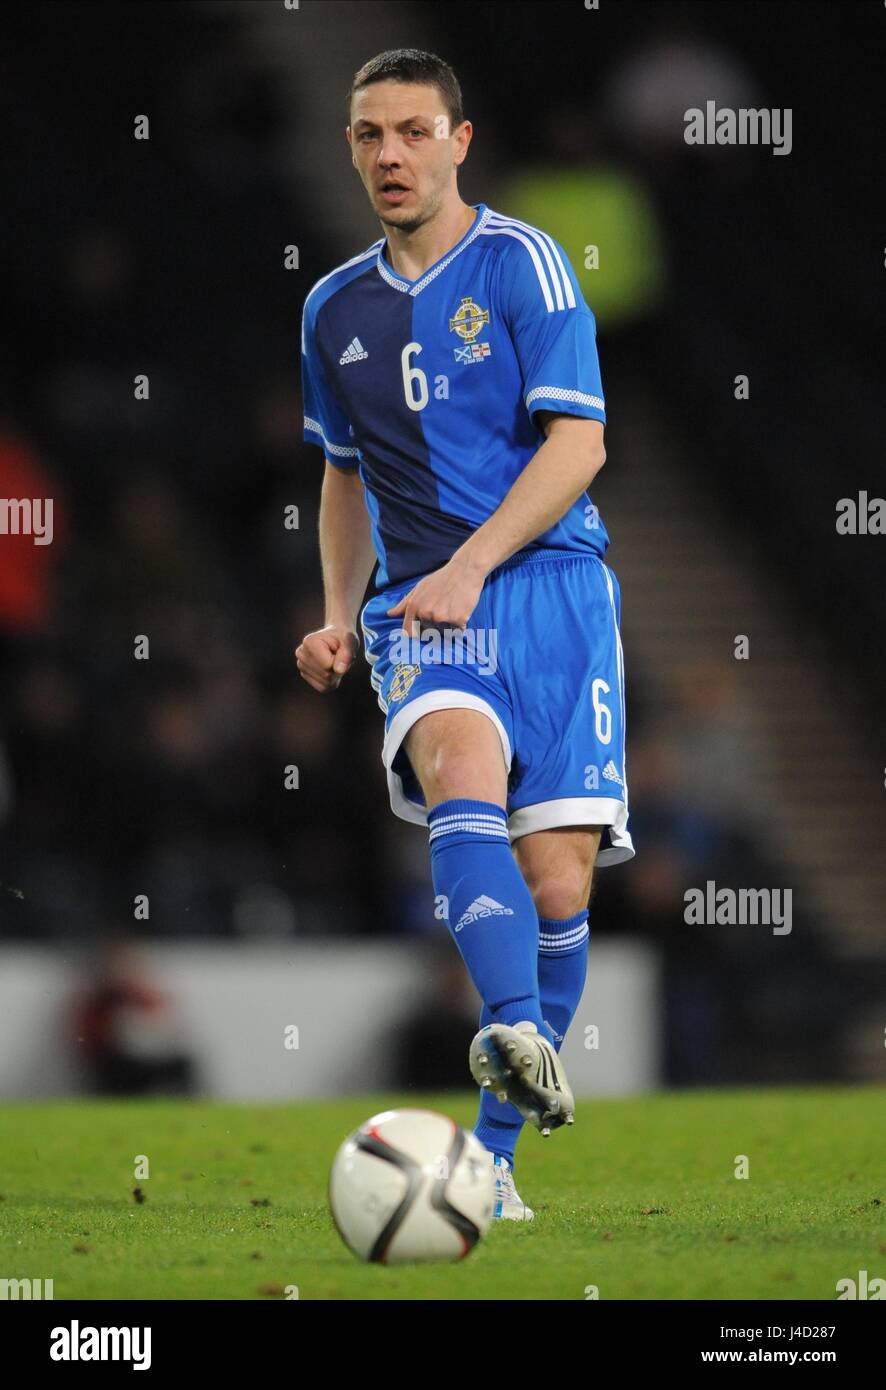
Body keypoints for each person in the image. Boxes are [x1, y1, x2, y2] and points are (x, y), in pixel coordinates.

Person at [296, 48, 634, 1221]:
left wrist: (477, 561)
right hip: (421, 616)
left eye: (409, 131)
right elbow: (342, 476)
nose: (387, 154)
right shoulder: (331, 307)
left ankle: (489, 1159)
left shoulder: (525, 265)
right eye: (366, 135)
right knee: (459, 773)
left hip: (552, 592)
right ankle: (509, 1029)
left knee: (554, 883)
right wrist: (341, 614)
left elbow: (578, 447)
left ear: (458, 140)